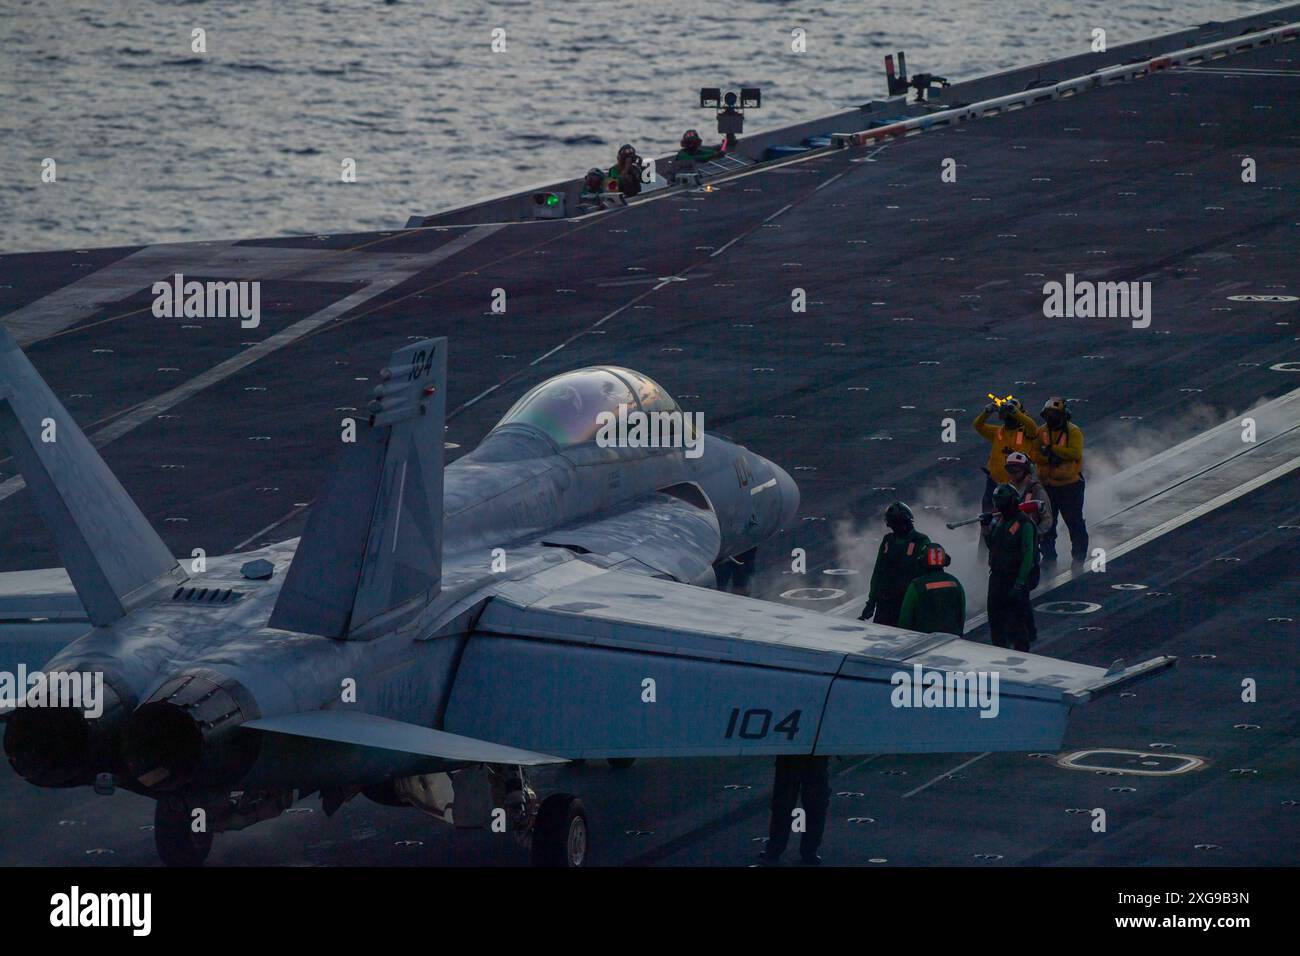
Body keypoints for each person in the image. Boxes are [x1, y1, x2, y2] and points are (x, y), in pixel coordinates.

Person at [982, 483, 1038, 652]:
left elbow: (1028, 555)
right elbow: (993, 544)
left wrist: (1020, 582)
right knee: (995, 618)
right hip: (998, 576)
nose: (999, 506)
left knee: (1017, 621)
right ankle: (999, 651)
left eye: (1002, 502)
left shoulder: (1025, 524)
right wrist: (985, 527)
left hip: (1014, 578)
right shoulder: (1001, 521)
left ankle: (1022, 653)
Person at [1035, 396, 1088, 565]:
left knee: (1074, 522)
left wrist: (1052, 450)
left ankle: (1079, 557)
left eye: (1055, 414)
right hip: (1047, 485)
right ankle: (1048, 557)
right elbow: (1034, 454)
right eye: (1049, 413)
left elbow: (1075, 453)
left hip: (1070, 485)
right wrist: (1049, 458)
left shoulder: (1073, 431)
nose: (1051, 417)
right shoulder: (1041, 432)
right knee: (1046, 524)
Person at [858, 501, 930, 625]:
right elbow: (879, 572)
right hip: (886, 603)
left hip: (908, 601)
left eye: (897, 523)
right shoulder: (888, 541)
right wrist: (872, 601)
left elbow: (926, 575)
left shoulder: (921, 541)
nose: (895, 528)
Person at [972, 397, 1039, 517]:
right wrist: (986, 412)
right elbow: (977, 425)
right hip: (994, 483)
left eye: (1010, 415)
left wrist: (1015, 412)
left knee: (1016, 516)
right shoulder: (998, 432)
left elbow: (1032, 427)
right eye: (1006, 415)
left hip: (1018, 485)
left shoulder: (1026, 432)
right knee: (987, 517)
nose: (1008, 418)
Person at [759, 755, 830, 866]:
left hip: (791, 756)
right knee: (814, 806)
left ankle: (775, 848)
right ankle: (808, 850)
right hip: (814, 756)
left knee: (784, 804)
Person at [897, 543, 966, 636]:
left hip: (923, 642)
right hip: (952, 641)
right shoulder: (955, 582)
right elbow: (961, 614)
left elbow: (905, 619)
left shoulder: (916, 586)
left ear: (922, 561)